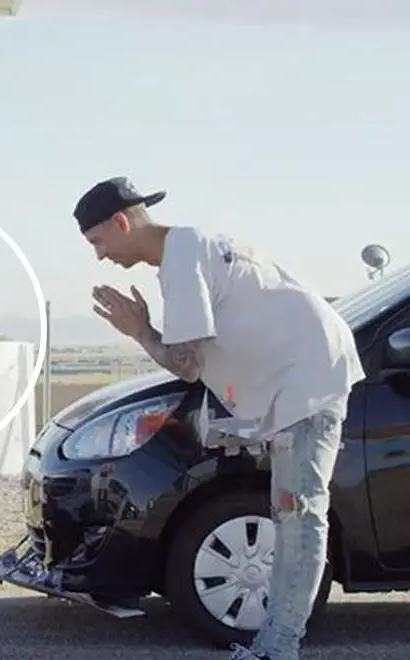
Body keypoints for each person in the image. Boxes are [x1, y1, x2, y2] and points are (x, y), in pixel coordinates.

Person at [72, 177, 365, 660]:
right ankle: (276, 644)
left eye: (98, 241)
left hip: (306, 387)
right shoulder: (190, 248)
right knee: (294, 515)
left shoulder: (183, 259)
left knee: (298, 517)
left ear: (122, 222)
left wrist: (142, 332)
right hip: (302, 381)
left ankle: (279, 648)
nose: (100, 255)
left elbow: (186, 366)